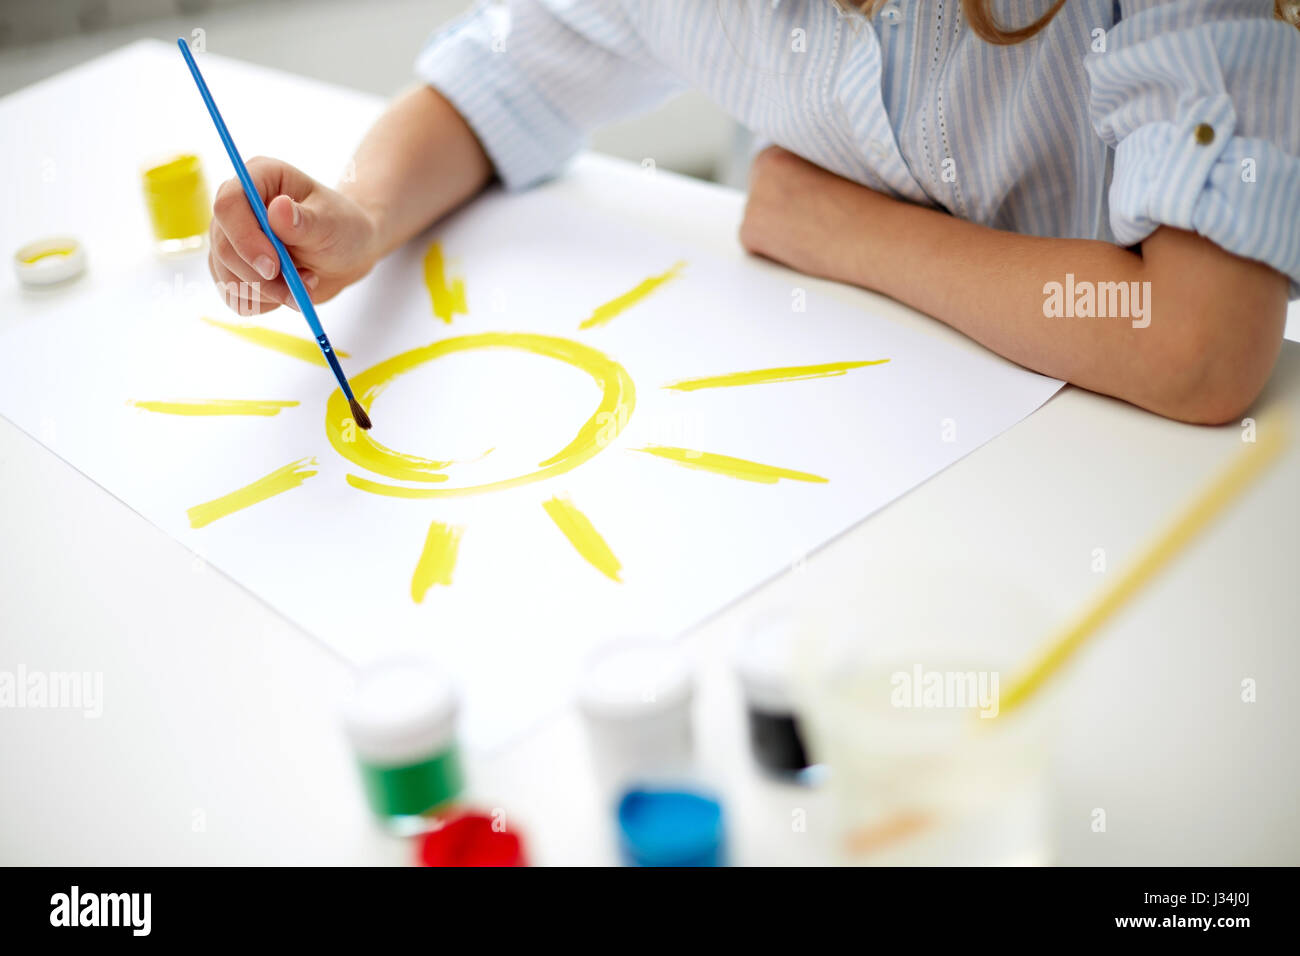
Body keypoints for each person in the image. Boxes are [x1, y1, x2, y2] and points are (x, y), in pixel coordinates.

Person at [206, 0, 1300, 424]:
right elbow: (505, 81)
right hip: (861, 427)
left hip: (1109, 450)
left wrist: (840, 229)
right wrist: (362, 212)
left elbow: (1196, 344)